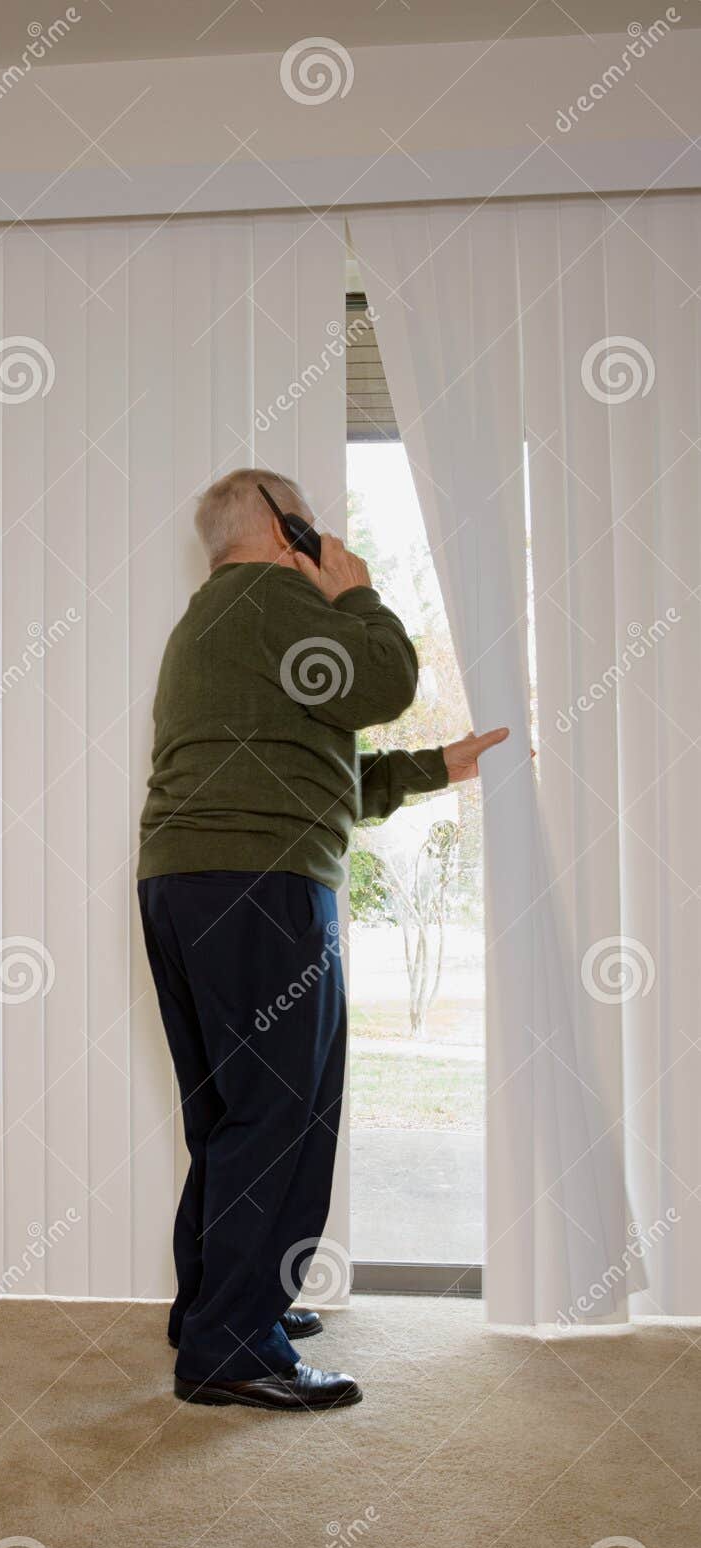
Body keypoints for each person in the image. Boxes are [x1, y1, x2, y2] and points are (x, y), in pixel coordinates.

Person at [136, 469, 507, 1410]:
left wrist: (437, 768)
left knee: (232, 1116)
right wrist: (357, 591)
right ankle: (230, 1349)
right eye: (312, 522)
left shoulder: (212, 620)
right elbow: (379, 682)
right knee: (281, 1114)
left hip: (188, 884)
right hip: (260, 888)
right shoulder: (272, 600)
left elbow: (307, 769)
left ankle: (219, 1307)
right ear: (282, 526)